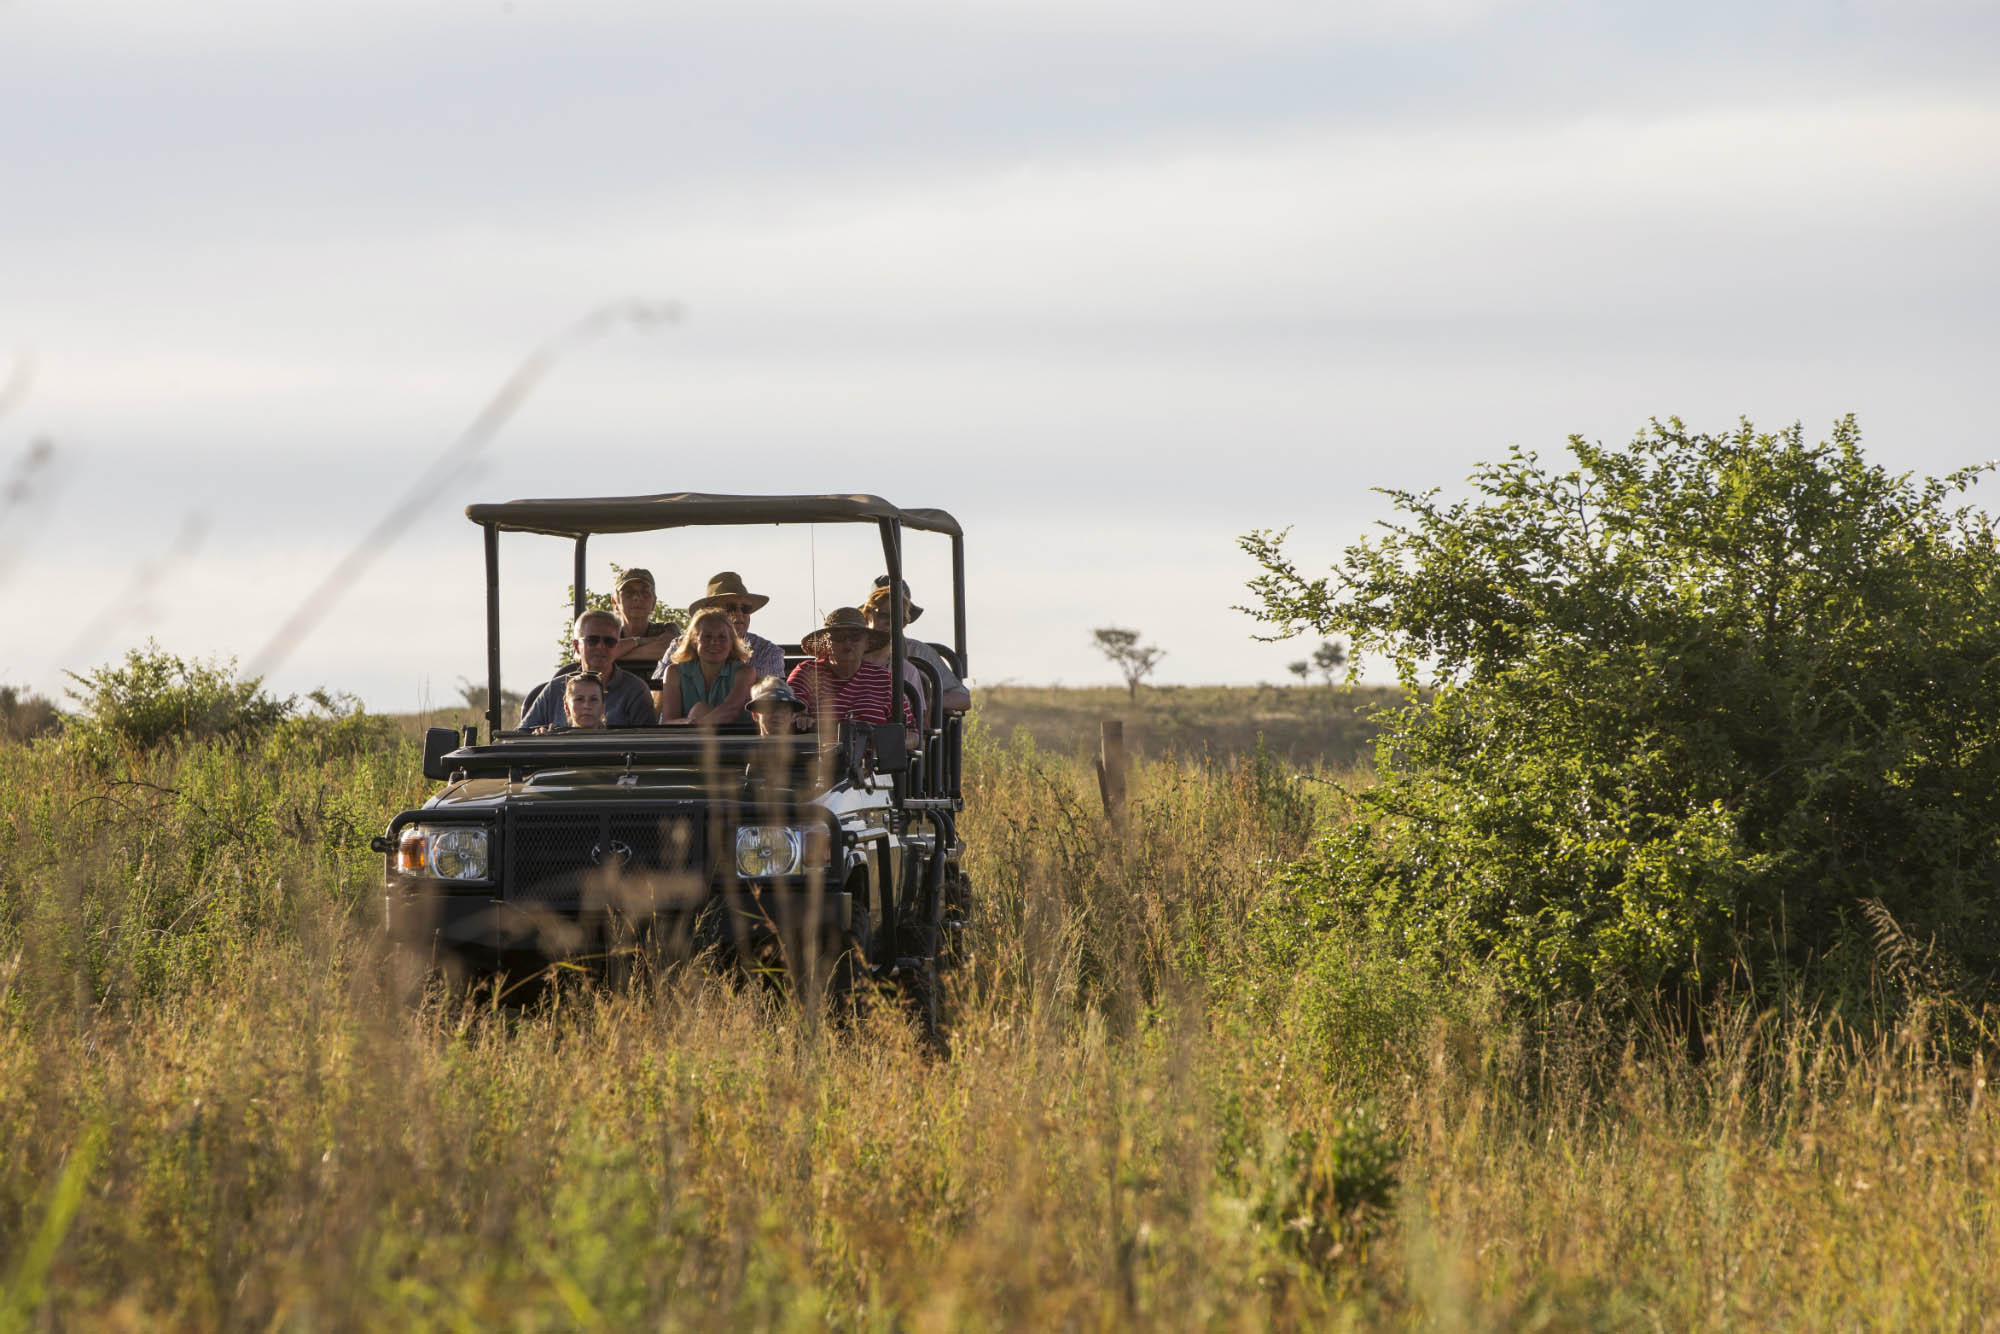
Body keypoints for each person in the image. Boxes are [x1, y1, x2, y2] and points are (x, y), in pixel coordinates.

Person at [519, 610, 658, 730]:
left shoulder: (635, 691)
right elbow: (520, 738)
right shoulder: (554, 689)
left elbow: (646, 744)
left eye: (609, 642)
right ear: (576, 646)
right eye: (592, 640)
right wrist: (539, 735)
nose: (601, 647)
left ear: (617, 647)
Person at [785, 607, 917, 732]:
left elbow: (911, 733)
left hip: (874, 749)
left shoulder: (883, 678)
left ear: (867, 643)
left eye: (855, 637)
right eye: (838, 637)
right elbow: (787, 713)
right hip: (819, 749)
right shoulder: (807, 672)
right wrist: (800, 718)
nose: (847, 643)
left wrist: (888, 742)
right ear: (826, 643)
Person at [861, 581, 972, 718]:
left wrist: (923, 704)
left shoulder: (920, 653)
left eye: (898, 616)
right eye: (883, 614)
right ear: (868, 614)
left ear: (905, 621)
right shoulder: (850, 653)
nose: (890, 622)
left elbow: (963, 698)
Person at [670, 572, 784, 681]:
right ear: (709, 612)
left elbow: (773, 693)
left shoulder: (768, 652)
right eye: (730, 607)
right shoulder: (680, 646)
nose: (739, 613)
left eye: (745, 608)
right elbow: (661, 687)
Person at [659, 608, 754, 725]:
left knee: (700, 710)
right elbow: (668, 721)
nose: (714, 642)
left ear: (731, 643)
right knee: (699, 710)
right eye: (707, 636)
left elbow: (730, 711)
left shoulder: (745, 672)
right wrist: (690, 722)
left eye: (722, 637)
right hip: (687, 735)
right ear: (695, 641)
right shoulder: (674, 672)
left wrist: (696, 725)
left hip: (733, 736)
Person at [608, 567, 678, 683]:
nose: (636, 597)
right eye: (629, 592)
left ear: (654, 602)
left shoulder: (667, 629)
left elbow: (669, 650)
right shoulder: (606, 632)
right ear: (615, 601)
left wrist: (612, 654)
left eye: (645, 593)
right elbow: (583, 654)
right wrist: (641, 641)